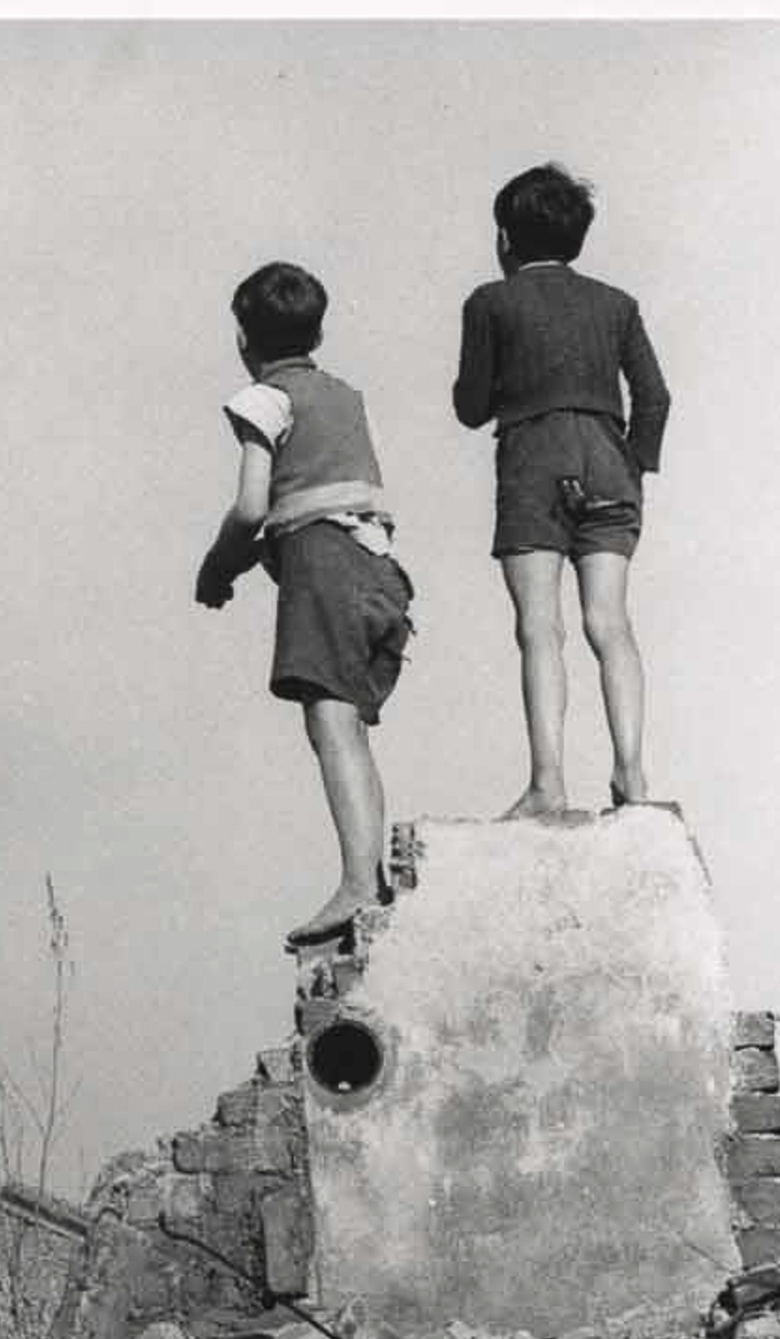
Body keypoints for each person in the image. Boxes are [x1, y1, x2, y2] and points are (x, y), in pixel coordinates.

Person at [196, 261, 418, 952]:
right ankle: (372, 879)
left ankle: (356, 881)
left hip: (324, 570)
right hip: (379, 569)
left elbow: (252, 506)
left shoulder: (265, 400)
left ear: (243, 339)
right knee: (349, 727)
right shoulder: (345, 396)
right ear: (317, 334)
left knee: (329, 725)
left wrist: (218, 565)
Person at [453, 162, 671, 817]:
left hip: (533, 459)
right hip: (608, 458)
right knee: (611, 621)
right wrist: (633, 464)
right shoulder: (617, 304)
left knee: (540, 627)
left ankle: (548, 782)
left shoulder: (490, 302)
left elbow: (470, 406)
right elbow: (655, 396)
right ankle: (632, 775)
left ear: (505, 238)